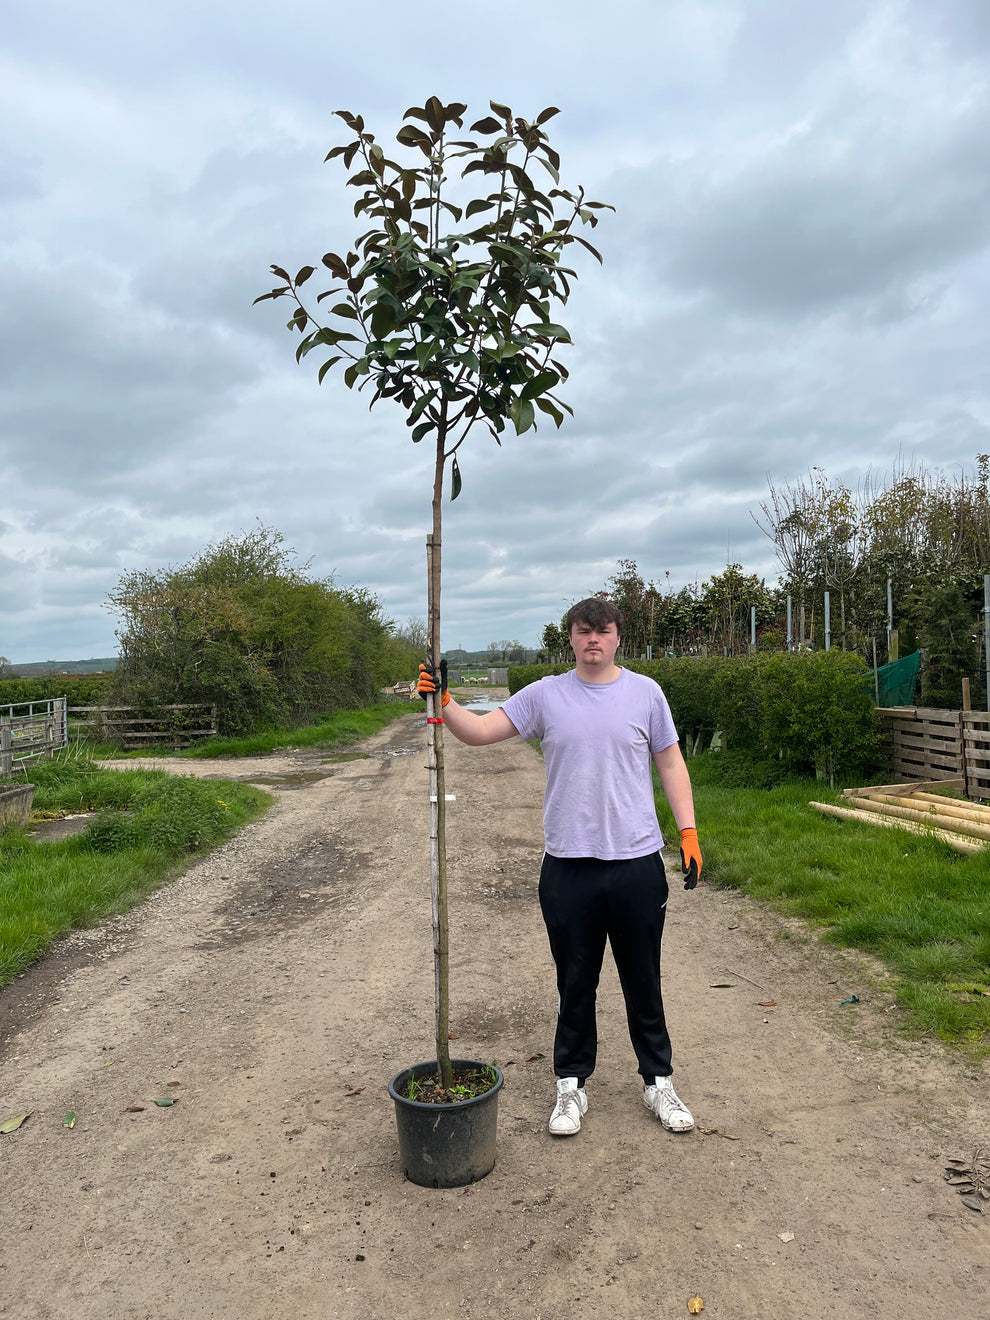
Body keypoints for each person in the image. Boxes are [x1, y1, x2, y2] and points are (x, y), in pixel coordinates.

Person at [417, 598, 703, 1138]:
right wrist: (445, 702)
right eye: (583, 631)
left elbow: (670, 761)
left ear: (619, 638)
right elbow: (479, 732)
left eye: (604, 631)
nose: (593, 639)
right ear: (569, 638)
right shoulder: (546, 695)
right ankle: (571, 1084)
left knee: (644, 978)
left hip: (637, 862)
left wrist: (687, 833)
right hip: (569, 866)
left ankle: (658, 1080)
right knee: (575, 981)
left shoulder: (646, 694)